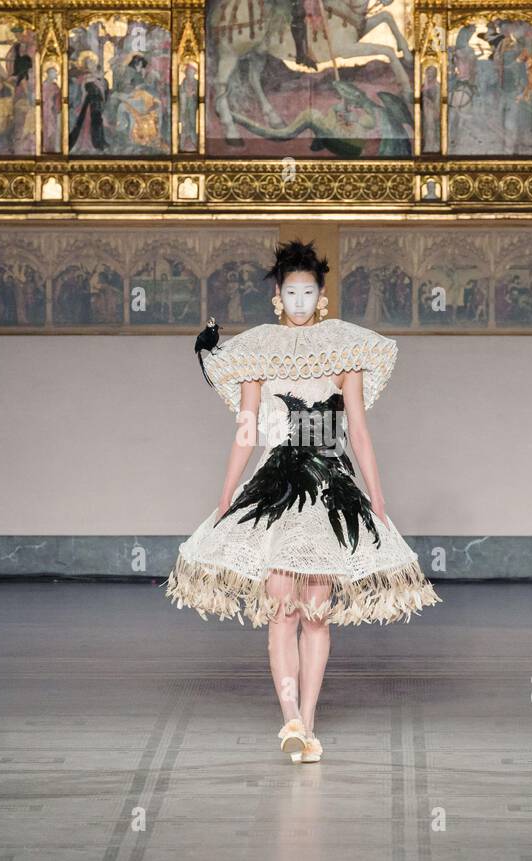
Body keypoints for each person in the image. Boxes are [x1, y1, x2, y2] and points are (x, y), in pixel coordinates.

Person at [165, 240, 441, 764]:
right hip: (275, 490)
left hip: (331, 489)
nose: (298, 300)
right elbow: (247, 432)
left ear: (321, 296)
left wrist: (377, 492)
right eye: (290, 291)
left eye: (307, 291)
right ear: (277, 295)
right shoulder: (256, 352)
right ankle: (290, 718)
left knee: (316, 615)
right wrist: (224, 495)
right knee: (280, 611)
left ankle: (307, 724)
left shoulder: (346, 352)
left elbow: (358, 431)